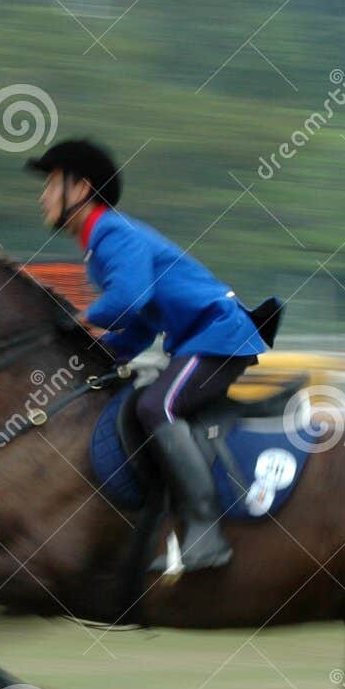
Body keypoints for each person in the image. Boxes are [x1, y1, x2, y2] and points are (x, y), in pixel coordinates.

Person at [26, 138, 267, 571]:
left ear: (79, 190)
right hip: (200, 339)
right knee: (147, 401)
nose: (41, 196)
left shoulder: (113, 233)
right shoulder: (99, 249)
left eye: (50, 184)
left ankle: (206, 534)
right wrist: (98, 357)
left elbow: (131, 299)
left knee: (159, 406)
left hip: (216, 335)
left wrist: (79, 321)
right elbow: (139, 326)